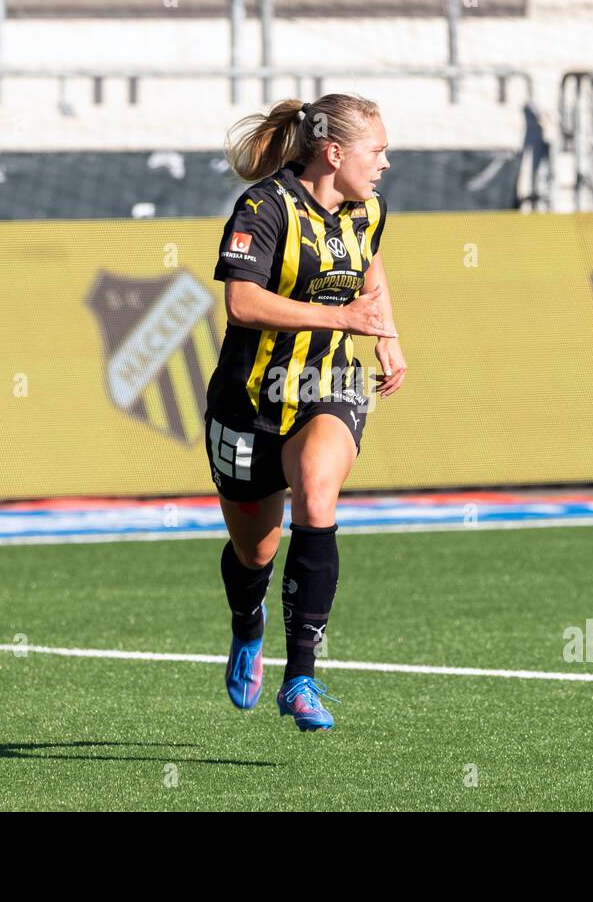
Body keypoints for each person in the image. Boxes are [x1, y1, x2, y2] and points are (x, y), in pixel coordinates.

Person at [202, 93, 407, 731]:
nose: (385, 163)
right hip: (250, 401)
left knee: (318, 494)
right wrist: (342, 316)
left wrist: (387, 334)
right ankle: (246, 624)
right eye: (376, 151)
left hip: (331, 383)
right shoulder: (263, 208)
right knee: (254, 554)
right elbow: (242, 303)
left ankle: (302, 679)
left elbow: (370, 268)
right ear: (335, 152)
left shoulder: (367, 209)